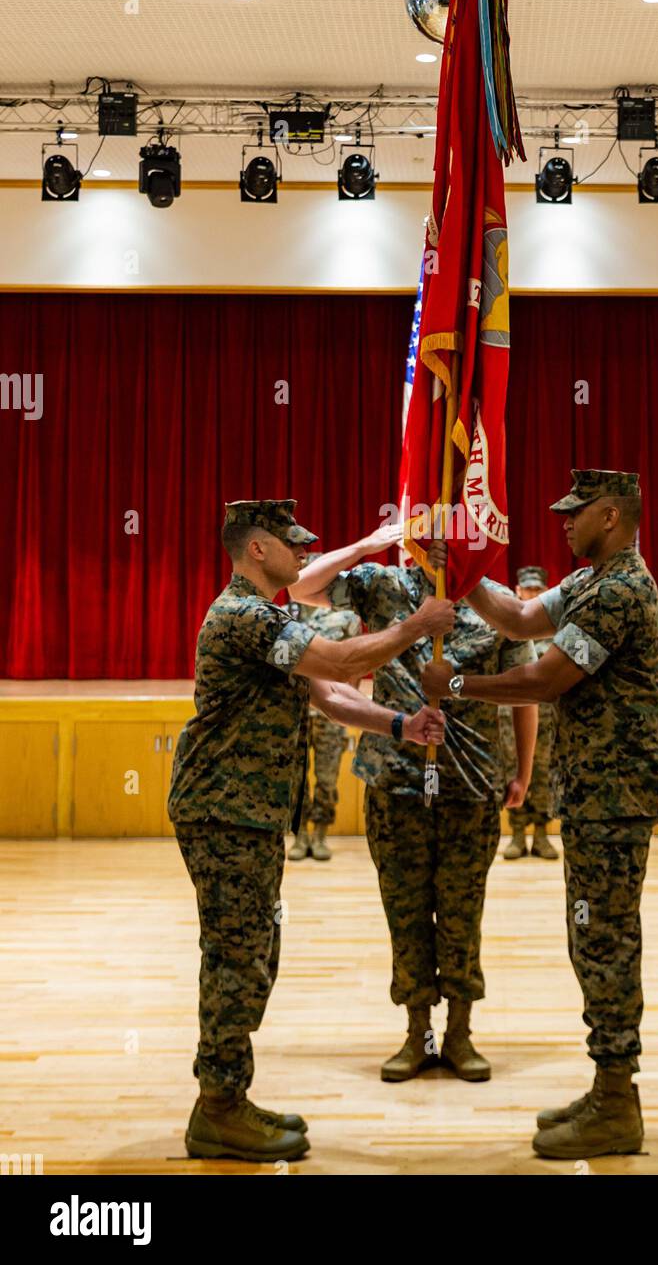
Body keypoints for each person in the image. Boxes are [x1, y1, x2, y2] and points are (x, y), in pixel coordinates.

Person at [167, 499, 452, 1164]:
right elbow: (340, 662)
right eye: (292, 542)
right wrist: (414, 625)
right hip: (223, 810)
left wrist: (397, 725)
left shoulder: (275, 615)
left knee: (254, 954)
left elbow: (327, 691)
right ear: (258, 548)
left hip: (249, 810)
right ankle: (218, 1109)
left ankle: (229, 1096)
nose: (304, 551)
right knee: (237, 957)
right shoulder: (243, 615)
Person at [422, 470, 658, 1159]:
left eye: (577, 512)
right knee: (591, 938)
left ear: (613, 516)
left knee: (606, 943)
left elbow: (544, 676)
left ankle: (618, 1101)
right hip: (597, 792)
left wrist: (460, 683)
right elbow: (517, 620)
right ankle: (608, 1087)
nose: (563, 522)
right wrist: (465, 576)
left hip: (616, 792)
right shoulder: (592, 581)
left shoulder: (620, 590)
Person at [291, 543, 538, 1083]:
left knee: (461, 915)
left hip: (470, 784)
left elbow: (524, 693)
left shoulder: (497, 605)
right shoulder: (384, 587)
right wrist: (367, 543)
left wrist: (523, 770)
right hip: (395, 782)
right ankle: (418, 1030)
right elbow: (300, 587)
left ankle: (460, 1033)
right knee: (404, 914)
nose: (442, 544)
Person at [289, 553, 362, 862]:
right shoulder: (286, 615)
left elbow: (356, 664)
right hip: (295, 709)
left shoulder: (345, 617)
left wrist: (349, 700)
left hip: (332, 707)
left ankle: (320, 833)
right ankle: (300, 834)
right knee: (296, 774)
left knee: (327, 774)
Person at [499, 566, 557, 860]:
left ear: (545, 592)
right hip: (513, 715)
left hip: (548, 716)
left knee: (545, 771)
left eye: (537, 589)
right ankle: (518, 833)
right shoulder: (506, 630)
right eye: (528, 589)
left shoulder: (557, 631)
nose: (532, 594)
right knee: (513, 768)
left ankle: (543, 834)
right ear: (517, 591)